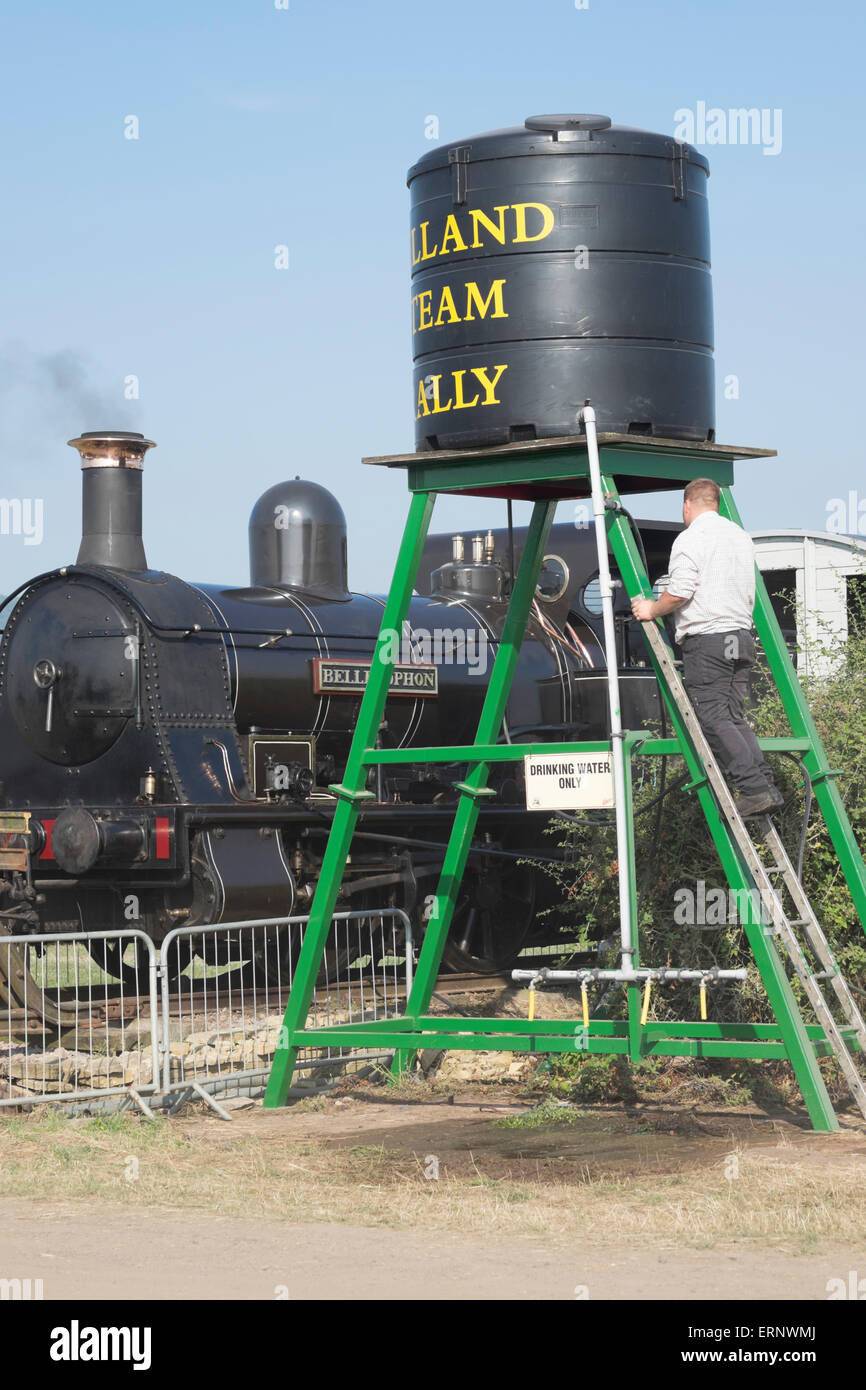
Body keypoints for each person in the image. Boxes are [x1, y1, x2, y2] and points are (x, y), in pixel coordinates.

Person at [630, 477, 782, 817]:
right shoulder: (740, 537)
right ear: (715, 502)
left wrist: (651, 609)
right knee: (733, 715)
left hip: (709, 641)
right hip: (740, 638)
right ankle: (765, 783)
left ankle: (754, 787)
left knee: (711, 715)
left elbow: (682, 589)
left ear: (687, 505)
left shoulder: (691, 539)